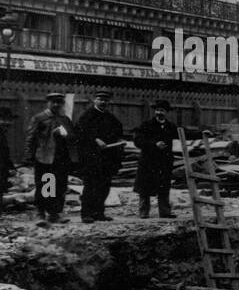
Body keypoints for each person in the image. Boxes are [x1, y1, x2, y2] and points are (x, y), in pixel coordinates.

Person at [74, 90, 125, 223]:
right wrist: (95, 139)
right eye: (100, 99)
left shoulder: (110, 117)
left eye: (105, 100)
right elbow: (80, 133)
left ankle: (99, 213)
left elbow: (118, 130)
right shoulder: (86, 116)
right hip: (91, 158)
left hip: (106, 158)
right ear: (94, 100)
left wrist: (120, 140)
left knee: (104, 187)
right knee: (90, 186)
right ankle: (86, 214)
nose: (103, 102)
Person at [25, 92, 76, 225]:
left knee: (59, 186)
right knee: (46, 186)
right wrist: (29, 156)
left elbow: (73, 137)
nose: (56, 104)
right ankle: (41, 213)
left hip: (61, 158)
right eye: (53, 101)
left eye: (59, 102)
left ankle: (55, 213)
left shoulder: (65, 119)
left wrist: (64, 134)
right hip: (44, 157)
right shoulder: (40, 118)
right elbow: (31, 138)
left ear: (62, 104)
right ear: (48, 103)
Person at [133, 99, 179, 219]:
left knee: (164, 187)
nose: (159, 113)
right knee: (144, 188)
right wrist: (154, 144)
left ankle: (165, 212)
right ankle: (143, 212)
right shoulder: (146, 125)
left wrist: (203, 134)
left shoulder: (171, 126)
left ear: (166, 112)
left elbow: (184, 133)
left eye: (162, 110)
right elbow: (138, 141)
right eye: (157, 110)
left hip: (164, 162)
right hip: (148, 161)